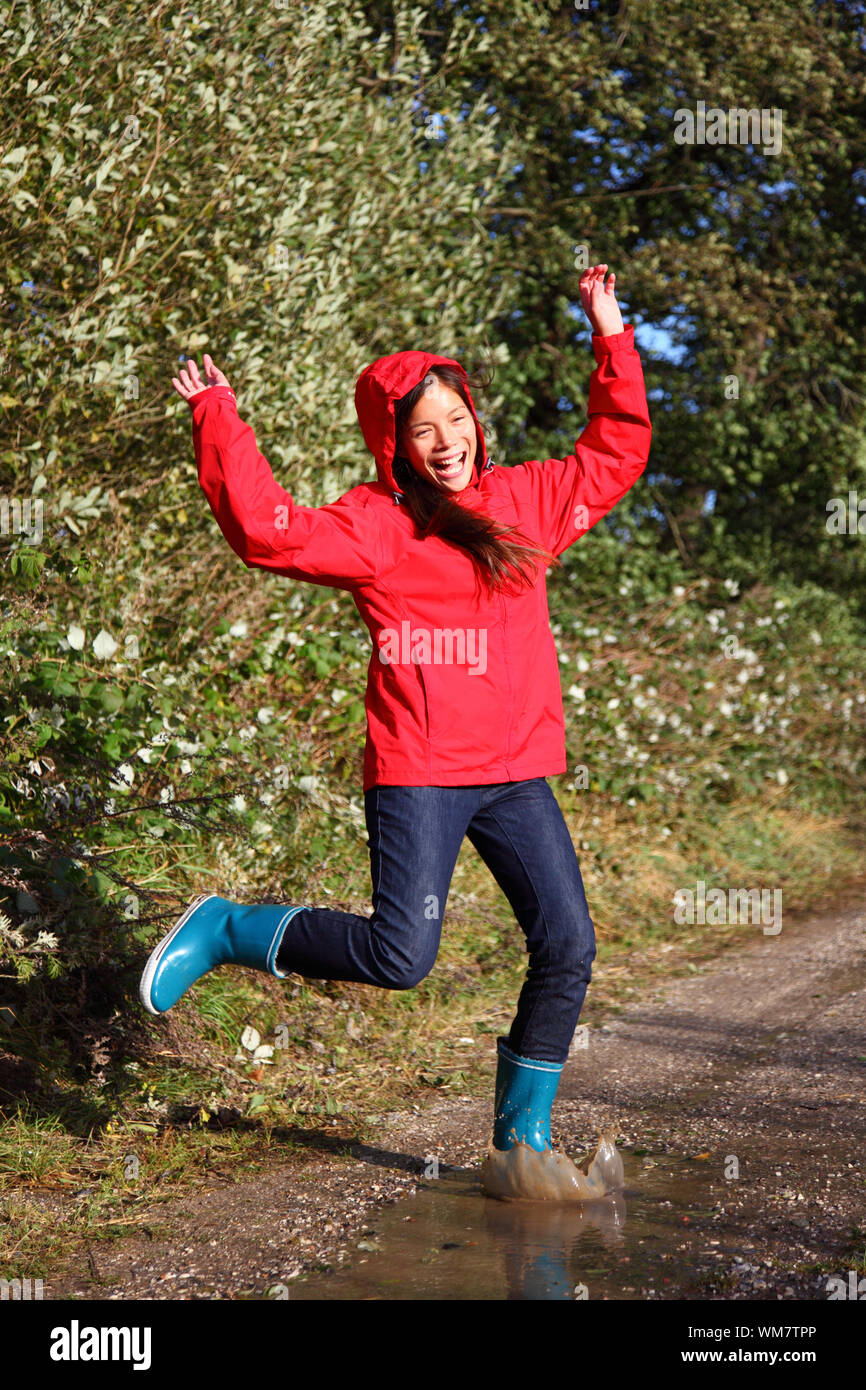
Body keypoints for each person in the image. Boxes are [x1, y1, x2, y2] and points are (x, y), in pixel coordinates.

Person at [140, 264, 651, 1167]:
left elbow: (615, 454)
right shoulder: (377, 525)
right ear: (397, 444)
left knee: (568, 944)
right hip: (421, 767)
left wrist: (610, 335)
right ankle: (225, 926)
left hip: (515, 769)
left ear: (475, 423)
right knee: (400, 956)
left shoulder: (528, 503)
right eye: (424, 430)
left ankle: (520, 1144)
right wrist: (219, 416)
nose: (447, 440)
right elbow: (266, 529)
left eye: (457, 421)